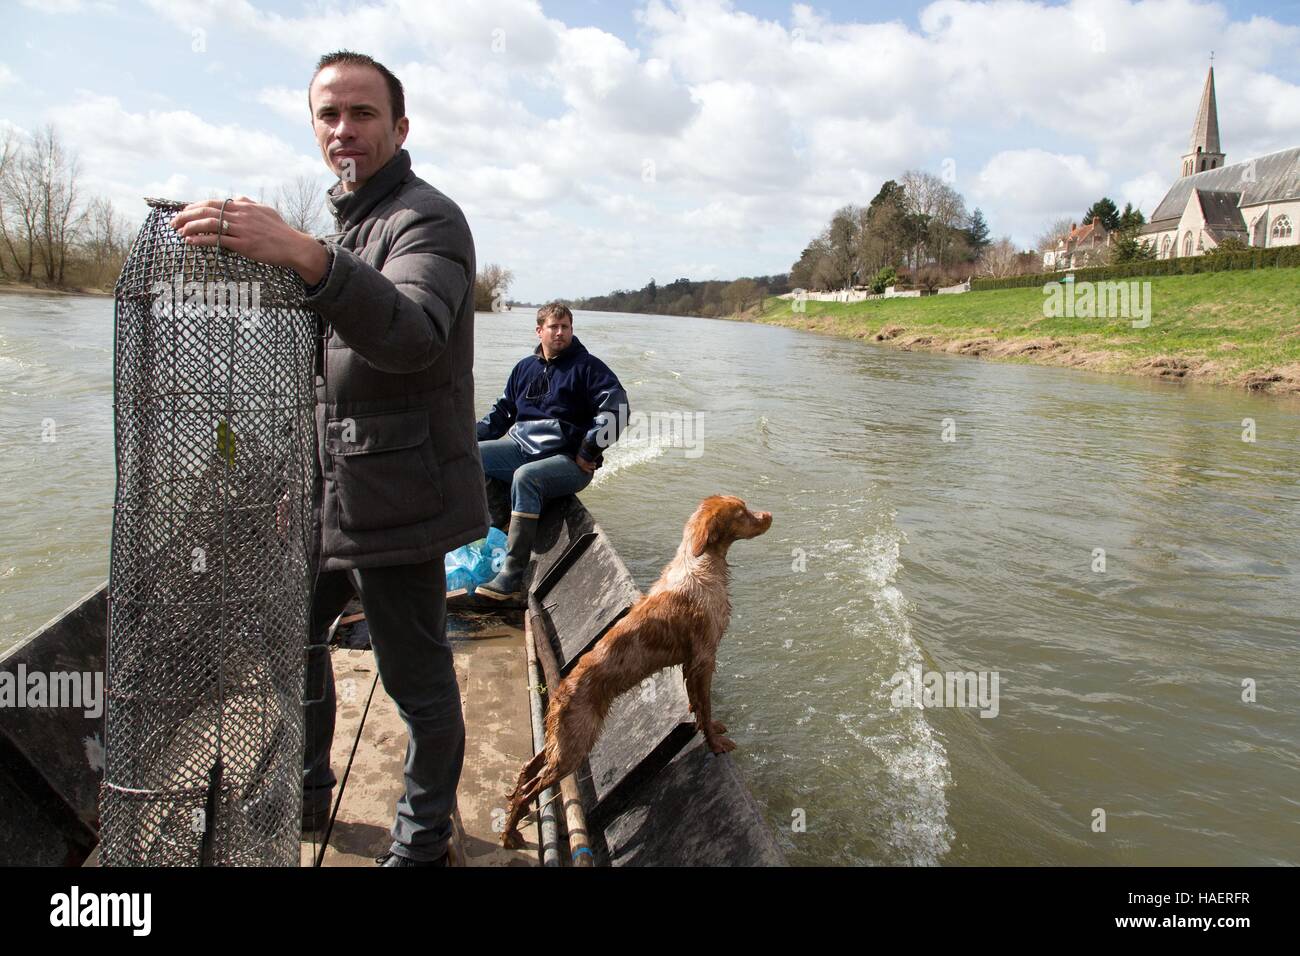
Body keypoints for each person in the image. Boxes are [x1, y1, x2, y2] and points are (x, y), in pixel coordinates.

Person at [169, 50, 487, 867]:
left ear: (400, 126)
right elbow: (317, 384)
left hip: (400, 498)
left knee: (417, 680)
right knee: (293, 645)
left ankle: (422, 843)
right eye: (328, 115)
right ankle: (307, 790)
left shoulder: (428, 220)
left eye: (363, 113)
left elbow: (413, 335)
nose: (344, 130)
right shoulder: (344, 226)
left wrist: (310, 256)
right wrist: (291, 480)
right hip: (321, 492)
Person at [475, 303, 629, 599]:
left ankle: (512, 573)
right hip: (522, 447)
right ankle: (501, 524)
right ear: (539, 331)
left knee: (525, 477)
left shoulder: (588, 367)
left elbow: (618, 409)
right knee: (473, 455)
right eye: (553, 327)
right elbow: (500, 415)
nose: (560, 332)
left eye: (566, 327)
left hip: (568, 460)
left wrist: (589, 448)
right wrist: (464, 440)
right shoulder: (524, 368)